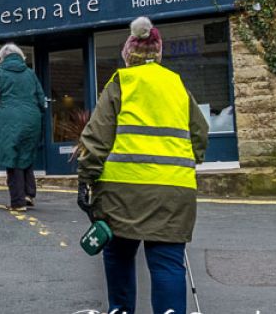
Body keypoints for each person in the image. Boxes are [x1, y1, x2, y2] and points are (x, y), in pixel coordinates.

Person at [78, 17, 208, 314]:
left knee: (119, 256)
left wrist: (85, 179)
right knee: (167, 263)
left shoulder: (121, 83)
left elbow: (97, 137)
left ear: (127, 53)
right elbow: (200, 132)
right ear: (159, 53)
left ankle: (121, 310)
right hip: (175, 190)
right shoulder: (176, 84)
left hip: (121, 192)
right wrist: (189, 160)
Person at [0, 43, 45, 211]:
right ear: (20, 57)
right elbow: (41, 100)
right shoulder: (30, 74)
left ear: (1, 59)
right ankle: (29, 194)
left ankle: (18, 202)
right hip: (32, 118)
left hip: (8, 119)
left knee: (13, 159)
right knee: (26, 155)